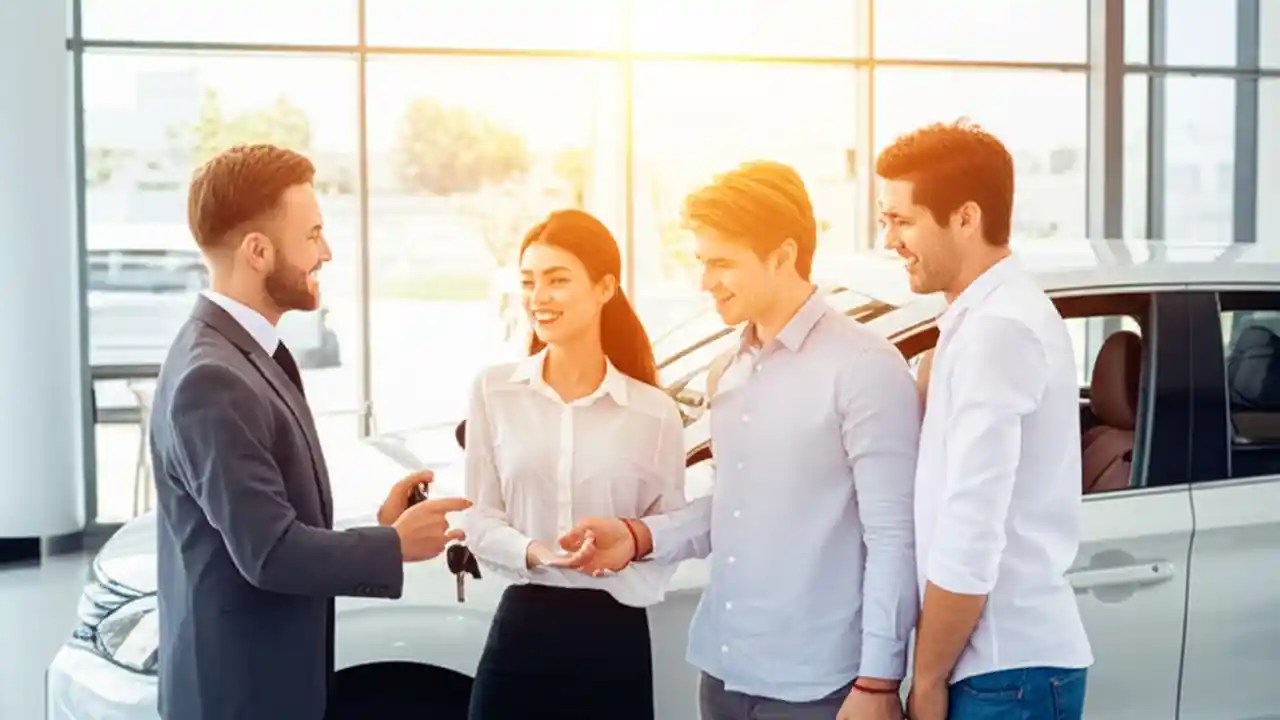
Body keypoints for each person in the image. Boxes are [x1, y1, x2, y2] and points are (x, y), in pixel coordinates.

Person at [559, 162, 921, 720]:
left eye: (722, 262)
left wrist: (877, 682)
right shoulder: (728, 370)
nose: (706, 281)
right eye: (703, 261)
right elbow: (733, 507)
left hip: (818, 687)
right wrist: (636, 537)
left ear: (783, 255)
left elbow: (893, 536)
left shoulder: (865, 368)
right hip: (724, 671)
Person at [150, 144, 472, 720]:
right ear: (257, 250)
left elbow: (265, 523)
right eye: (314, 234)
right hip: (243, 696)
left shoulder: (238, 353)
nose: (325, 252)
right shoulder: (213, 378)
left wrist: (377, 530)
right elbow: (269, 554)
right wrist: (395, 548)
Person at [874, 120, 1094, 720]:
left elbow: (971, 526)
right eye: (884, 220)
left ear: (965, 218)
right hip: (1000, 669)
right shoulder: (977, 322)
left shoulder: (998, 329)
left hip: (1002, 672)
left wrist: (926, 678)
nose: (889, 240)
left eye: (902, 220)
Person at [462, 209, 688, 720]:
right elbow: (480, 516)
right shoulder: (494, 390)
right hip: (522, 630)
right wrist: (535, 551)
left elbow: (672, 526)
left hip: (613, 641)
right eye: (529, 281)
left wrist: (629, 538)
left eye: (557, 280)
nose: (539, 297)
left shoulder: (653, 412)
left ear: (605, 287)